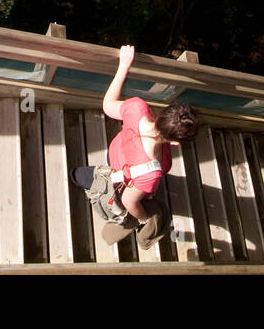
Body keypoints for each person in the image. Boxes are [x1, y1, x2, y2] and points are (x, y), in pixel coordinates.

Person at [72, 44, 199, 249]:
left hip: (115, 154)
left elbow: (108, 105)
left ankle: (75, 176)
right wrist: (143, 218)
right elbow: (129, 202)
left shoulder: (137, 108)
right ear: (175, 142)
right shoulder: (152, 174)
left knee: (78, 174)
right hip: (127, 178)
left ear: (164, 113)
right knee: (135, 200)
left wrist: (123, 66)